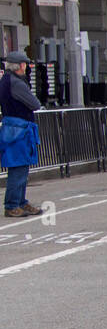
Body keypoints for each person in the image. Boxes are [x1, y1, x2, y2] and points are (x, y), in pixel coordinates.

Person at [0, 50, 44, 217]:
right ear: (19, 66)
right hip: (20, 129)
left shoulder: (5, 80)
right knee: (19, 168)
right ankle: (12, 205)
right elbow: (35, 104)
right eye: (25, 64)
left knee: (19, 167)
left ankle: (20, 201)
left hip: (10, 126)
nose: (27, 67)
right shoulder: (16, 83)